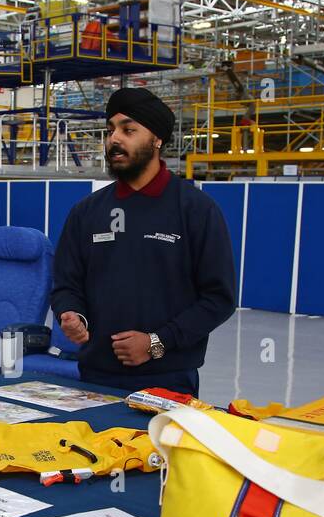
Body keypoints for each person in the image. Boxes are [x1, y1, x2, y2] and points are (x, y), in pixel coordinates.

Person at [51, 87, 236, 395]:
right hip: (95, 375)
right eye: (110, 130)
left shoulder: (195, 209)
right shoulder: (86, 212)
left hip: (169, 379)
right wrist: (72, 313)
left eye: (128, 130)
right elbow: (66, 283)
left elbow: (219, 299)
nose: (114, 139)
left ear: (157, 139)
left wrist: (156, 342)